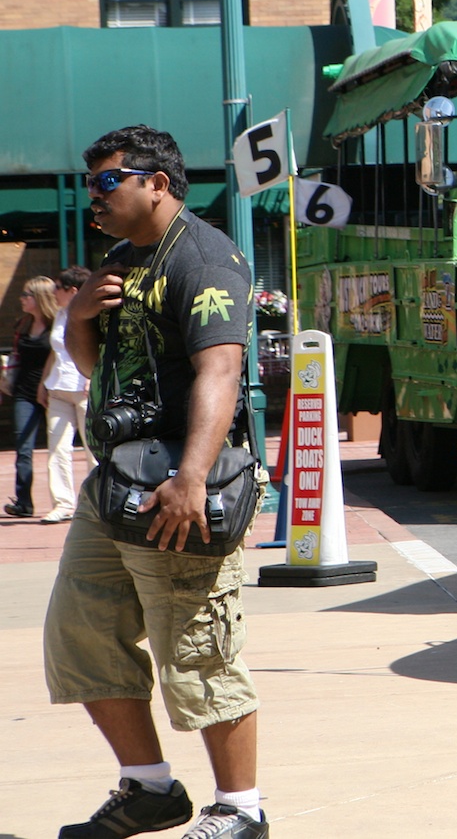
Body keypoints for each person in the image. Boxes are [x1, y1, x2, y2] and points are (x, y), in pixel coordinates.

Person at [47, 125, 266, 839]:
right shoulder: (120, 259)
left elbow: (222, 368)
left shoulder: (202, 258)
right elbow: (90, 363)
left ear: (157, 183)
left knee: (197, 650)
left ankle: (240, 807)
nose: (94, 198)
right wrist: (76, 315)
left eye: (108, 182)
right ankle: (150, 789)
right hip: (115, 486)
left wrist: (192, 477)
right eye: (90, 185)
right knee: (80, 633)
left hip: (178, 487)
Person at [43, 265, 94, 523]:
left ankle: (96, 502)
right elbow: (56, 351)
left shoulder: (92, 314)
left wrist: (93, 376)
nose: (53, 292)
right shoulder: (61, 314)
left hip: (84, 388)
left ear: (72, 290)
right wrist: (44, 381)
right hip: (59, 387)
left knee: (92, 448)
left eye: (57, 288)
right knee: (57, 448)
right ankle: (63, 503)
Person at [7, 276, 55, 517]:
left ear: (40, 298)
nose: (22, 299)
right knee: (23, 447)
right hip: (24, 393)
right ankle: (24, 502)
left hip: (54, 392)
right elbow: (16, 356)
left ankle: (65, 502)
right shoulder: (23, 324)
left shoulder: (58, 325)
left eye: (27, 295)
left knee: (59, 448)